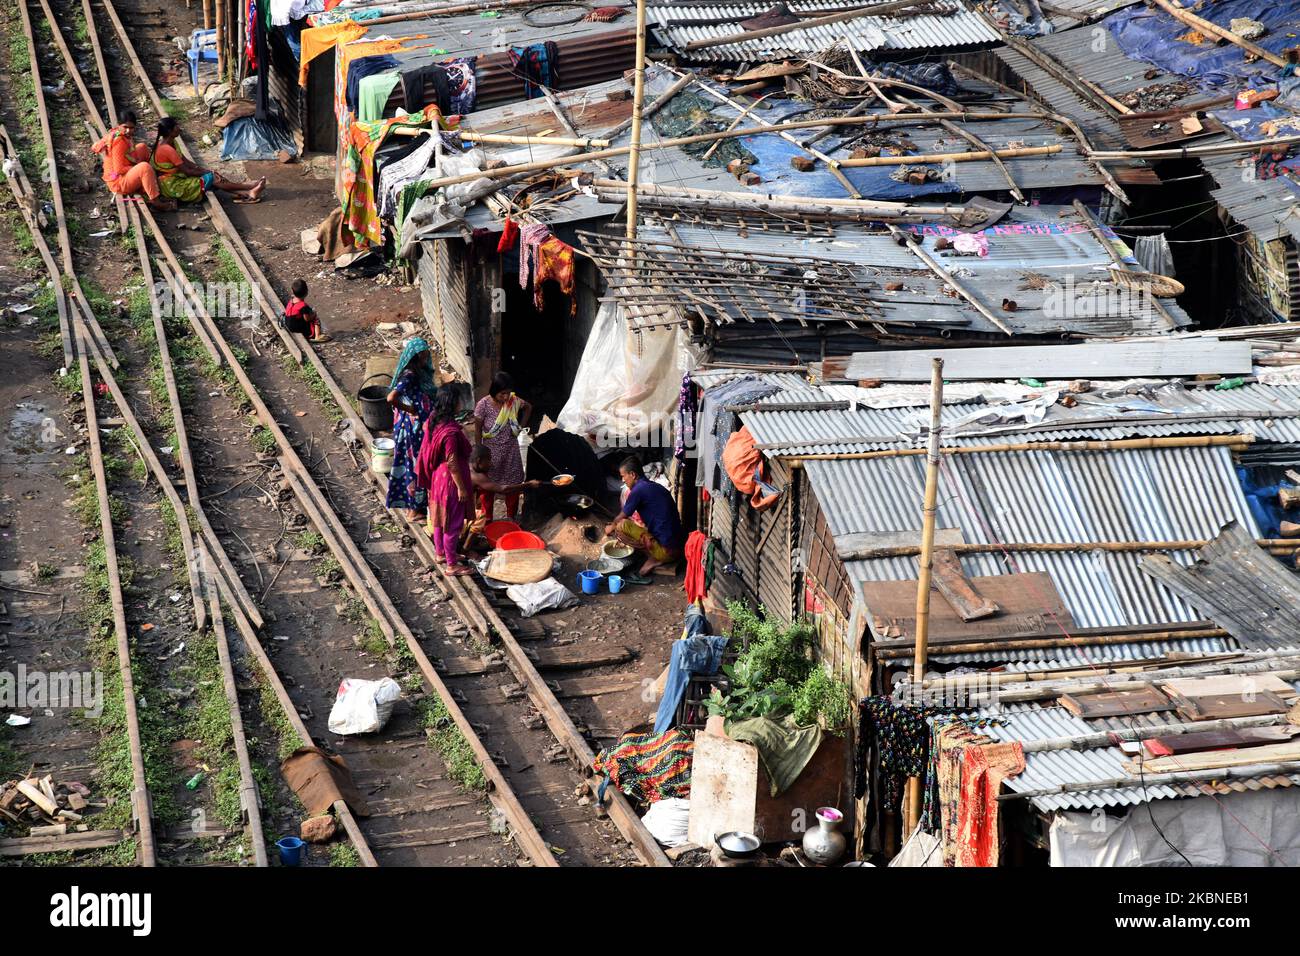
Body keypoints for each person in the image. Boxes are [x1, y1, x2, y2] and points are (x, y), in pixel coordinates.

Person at [416, 384, 474, 574]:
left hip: (437, 478)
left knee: (440, 518)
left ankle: (440, 552)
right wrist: (462, 488)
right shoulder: (450, 433)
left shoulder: (434, 419)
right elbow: (452, 462)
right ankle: (451, 564)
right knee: (453, 523)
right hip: (450, 481)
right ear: (453, 403)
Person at [149, 116, 266, 205]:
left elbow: (187, 162)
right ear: (170, 131)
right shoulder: (167, 149)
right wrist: (208, 173)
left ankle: (247, 192)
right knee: (213, 178)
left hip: (176, 180)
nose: (179, 128)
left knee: (213, 176)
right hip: (173, 187)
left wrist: (206, 170)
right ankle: (248, 188)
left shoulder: (171, 143)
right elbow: (187, 171)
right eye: (176, 126)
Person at [604, 456, 685, 576]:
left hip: (668, 552)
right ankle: (656, 554)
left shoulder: (638, 490)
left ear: (632, 474)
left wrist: (609, 529)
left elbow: (621, 518)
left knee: (621, 526)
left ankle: (655, 558)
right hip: (678, 546)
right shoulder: (654, 487)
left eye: (623, 476)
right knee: (637, 525)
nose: (622, 480)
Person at [385, 338, 437, 519]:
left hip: (415, 427)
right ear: (415, 357)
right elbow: (391, 398)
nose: (426, 357)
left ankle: (413, 506)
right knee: (415, 465)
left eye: (426, 354)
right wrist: (411, 409)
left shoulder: (417, 372)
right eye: (422, 355)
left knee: (414, 464)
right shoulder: (410, 375)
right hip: (412, 430)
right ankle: (413, 509)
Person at [472, 372, 532, 520]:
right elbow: (478, 429)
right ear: (494, 390)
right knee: (488, 488)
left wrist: (520, 427)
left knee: (513, 486)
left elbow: (528, 407)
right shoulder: (483, 405)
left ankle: (511, 517)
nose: (505, 397)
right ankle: (487, 520)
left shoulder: (512, 401)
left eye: (508, 393)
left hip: (511, 451)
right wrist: (479, 452)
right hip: (490, 455)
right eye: (502, 394)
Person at [92, 110, 175, 211]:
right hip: (118, 182)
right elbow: (119, 170)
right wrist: (139, 167)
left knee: (142, 147)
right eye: (125, 127)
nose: (128, 130)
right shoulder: (119, 141)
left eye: (131, 128)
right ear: (119, 125)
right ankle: (155, 201)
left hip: (121, 173)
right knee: (145, 167)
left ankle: (148, 181)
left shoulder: (122, 134)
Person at [470, 445, 539, 518]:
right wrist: (529, 484)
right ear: (479, 460)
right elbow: (503, 489)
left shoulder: (466, 466)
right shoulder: (477, 476)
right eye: (488, 460)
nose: (490, 464)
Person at [284, 279, 330, 343]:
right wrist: (314, 314)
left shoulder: (291, 300)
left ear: (293, 292)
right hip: (295, 327)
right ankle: (317, 336)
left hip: (288, 323)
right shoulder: (303, 306)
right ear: (306, 292)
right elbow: (307, 319)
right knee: (316, 319)